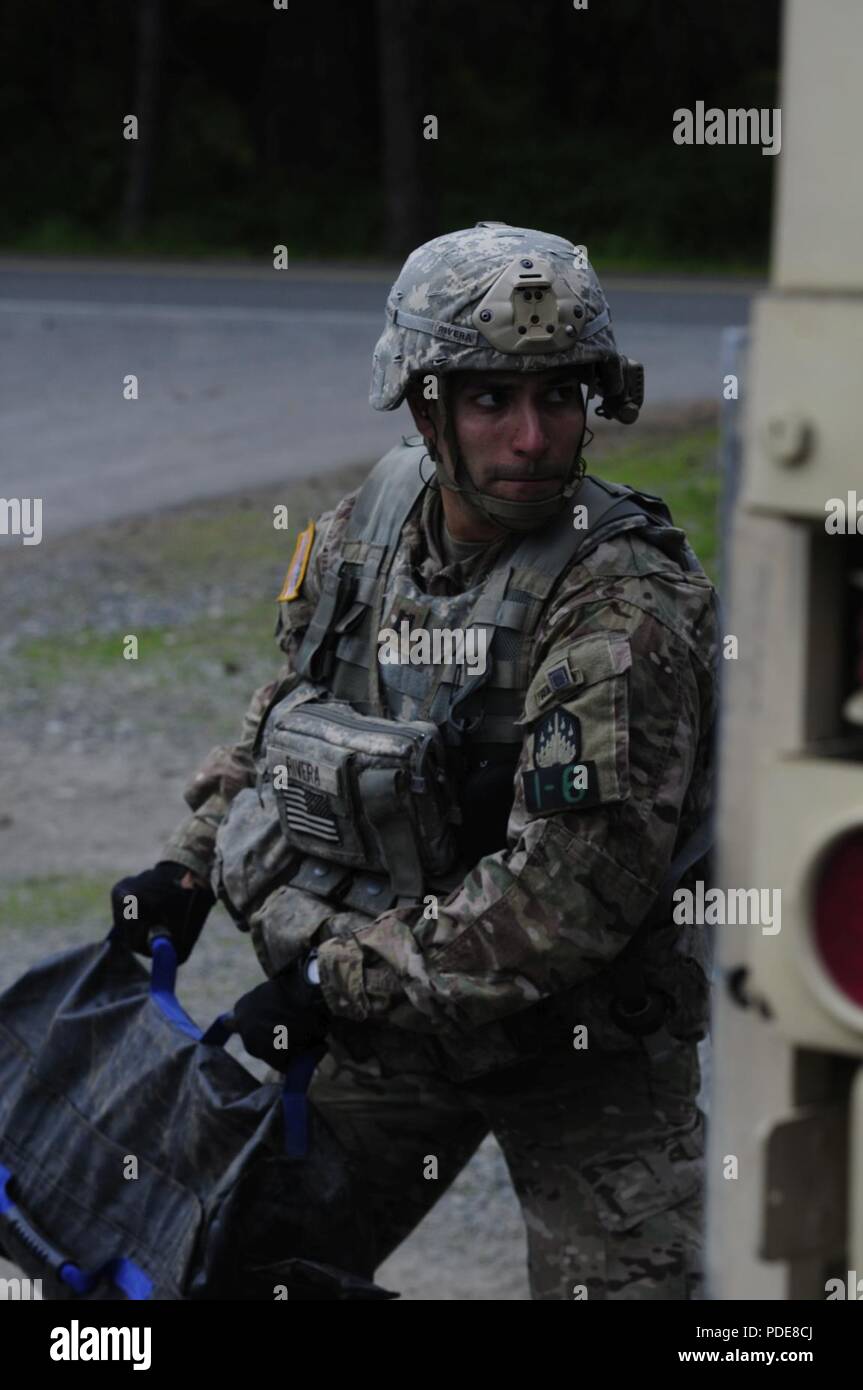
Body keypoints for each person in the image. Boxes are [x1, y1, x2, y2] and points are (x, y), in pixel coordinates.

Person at [112, 223, 719, 1300]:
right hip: (399, 1035)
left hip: (582, 1054)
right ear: (424, 405)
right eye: (491, 399)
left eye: (559, 397)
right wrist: (188, 865)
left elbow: (565, 900)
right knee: (229, 1265)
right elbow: (292, 710)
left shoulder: (622, 603)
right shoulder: (373, 523)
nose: (531, 437)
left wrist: (325, 982)